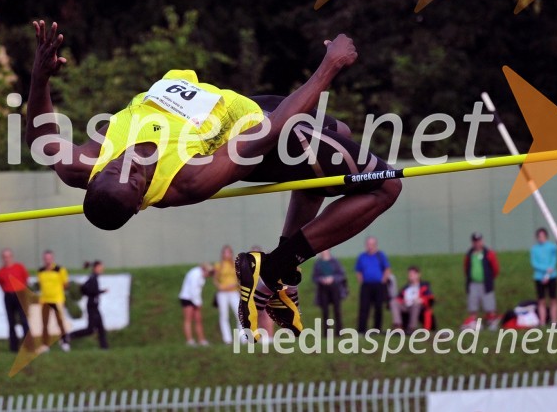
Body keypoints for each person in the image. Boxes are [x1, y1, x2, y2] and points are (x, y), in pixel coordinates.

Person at [25, 21, 401, 340]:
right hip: (262, 136)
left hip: (231, 105)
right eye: (136, 176)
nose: (130, 162)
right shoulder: (189, 179)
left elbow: (42, 140)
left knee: (340, 133)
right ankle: (273, 269)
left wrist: (40, 77)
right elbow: (272, 130)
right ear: (141, 201)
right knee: (386, 186)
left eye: (114, 167)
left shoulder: (84, 164)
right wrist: (330, 65)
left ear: (95, 175)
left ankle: (279, 276)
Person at [0, 248, 32, 352]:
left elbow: (25, 279)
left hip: (20, 294)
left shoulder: (19, 267)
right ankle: (14, 347)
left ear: (12, 257)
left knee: (24, 320)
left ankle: (28, 345)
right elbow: (1, 283)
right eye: (4, 257)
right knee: (11, 322)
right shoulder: (1, 271)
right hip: (8, 296)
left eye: (8, 257)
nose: (6, 259)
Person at [68, 260, 109, 349]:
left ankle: (104, 348)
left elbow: (86, 289)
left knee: (101, 328)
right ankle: (70, 336)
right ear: (96, 268)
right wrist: (101, 291)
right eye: (101, 267)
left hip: (94, 307)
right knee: (90, 330)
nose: (102, 269)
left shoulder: (94, 277)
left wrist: (99, 291)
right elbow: (90, 290)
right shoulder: (93, 278)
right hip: (92, 307)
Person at [463, 233, 500, 330]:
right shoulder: (469, 254)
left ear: (482, 241)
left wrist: (490, 278)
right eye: (475, 242)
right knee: (473, 303)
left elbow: (495, 268)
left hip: (486, 283)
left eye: (479, 241)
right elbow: (466, 267)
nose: (477, 243)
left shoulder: (488, 253)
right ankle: (473, 322)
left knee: (489, 303)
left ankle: (491, 321)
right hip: (473, 283)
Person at [354, 237, 391, 333]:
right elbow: (358, 270)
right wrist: (361, 280)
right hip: (366, 286)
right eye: (368, 244)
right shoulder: (362, 256)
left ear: (375, 245)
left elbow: (387, 269)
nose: (370, 246)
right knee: (364, 307)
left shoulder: (380, 255)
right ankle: (361, 330)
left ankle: (377, 329)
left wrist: (383, 280)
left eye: (372, 244)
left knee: (378, 307)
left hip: (378, 285)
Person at [37, 249, 70, 352]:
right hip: (45, 300)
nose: (48, 260)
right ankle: (45, 344)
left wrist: (57, 292)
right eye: (46, 258)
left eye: (49, 258)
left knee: (60, 322)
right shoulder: (41, 271)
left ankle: (64, 342)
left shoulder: (60, 270)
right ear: (43, 259)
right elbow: (40, 284)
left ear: (52, 258)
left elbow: (65, 284)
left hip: (57, 299)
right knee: (44, 323)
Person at [312, 249, 347, 333]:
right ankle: (326, 332)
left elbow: (341, 275)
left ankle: (339, 331)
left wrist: (333, 278)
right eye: (322, 250)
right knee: (325, 311)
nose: (324, 251)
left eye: (326, 250)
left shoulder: (335, 262)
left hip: (335, 288)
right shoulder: (318, 263)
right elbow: (314, 277)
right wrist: (321, 279)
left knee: (337, 310)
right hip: (323, 289)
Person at [391, 266, 434, 333]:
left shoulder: (424, 286)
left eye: (413, 274)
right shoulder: (406, 288)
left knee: (416, 304)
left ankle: (412, 327)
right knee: (393, 302)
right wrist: (402, 301)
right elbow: (399, 298)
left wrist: (421, 299)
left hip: (418, 305)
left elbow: (430, 297)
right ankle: (398, 325)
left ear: (418, 275)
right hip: (406, 305)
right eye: (409, 274)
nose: (411, 275)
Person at [179, 263, 214, 346]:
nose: (209, 276)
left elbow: (198, 291)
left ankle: (201, 340)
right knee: (188, 319)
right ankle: (189, 340)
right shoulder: (195, 274)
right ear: (205, 270)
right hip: (187, 298)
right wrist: (197, 303)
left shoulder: (201, 276)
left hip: (195, 299)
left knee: (198, 320)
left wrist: (198, 302)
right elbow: (193, 290)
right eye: (209, 273)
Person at [530, 227, 557, 325]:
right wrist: (545, 269)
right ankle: (542, 321)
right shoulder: (534, 249)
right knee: (541, 300)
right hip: (539, 277)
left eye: (543, 236)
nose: (541, 238)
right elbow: (534, 263)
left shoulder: (552, 247)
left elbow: (554, 259)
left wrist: (550, 271)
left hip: (552, 276)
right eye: (539, 237)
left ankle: (554, 321)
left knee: (553, 299)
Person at [214, 245, 241, 344]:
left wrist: (235, 285)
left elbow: (240, 278)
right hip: (223, 293)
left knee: (239, 315)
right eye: (225, 252)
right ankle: (227, 339)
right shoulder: (219, 265)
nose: (227, 254)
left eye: (228, 252)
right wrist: (219, 286)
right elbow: (215, 279)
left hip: (233, 291)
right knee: (224, 315)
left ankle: (242, 338)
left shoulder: (235, 264)